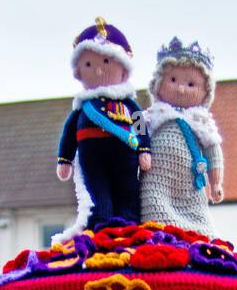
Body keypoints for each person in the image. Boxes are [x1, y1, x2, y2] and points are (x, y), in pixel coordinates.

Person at [56, 18, 151, 234]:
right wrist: (65, 159)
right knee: (97, 192)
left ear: (123, 70)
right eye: (89, 64)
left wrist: (144, 148)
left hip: (125, 158)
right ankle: (102, 225)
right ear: (79, 71)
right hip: (92, 160)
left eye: (106, 62)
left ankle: (129, 223)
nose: (98, 70)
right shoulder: (82, 107)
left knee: (127, 189)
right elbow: (69, 133)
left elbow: (139, 123)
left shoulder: (128, 103)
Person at [140, 37, 223, 234]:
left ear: (205, 92)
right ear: (158, 84)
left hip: (190, 187)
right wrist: (140, 151)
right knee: (154, 212)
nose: (181, 88)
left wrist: (216, 182)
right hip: (156, 181)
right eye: (173, 80)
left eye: (191, 84)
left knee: (200, 220)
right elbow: (136, 134)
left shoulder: (201, 121)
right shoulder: (149, 115)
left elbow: (213, 151)